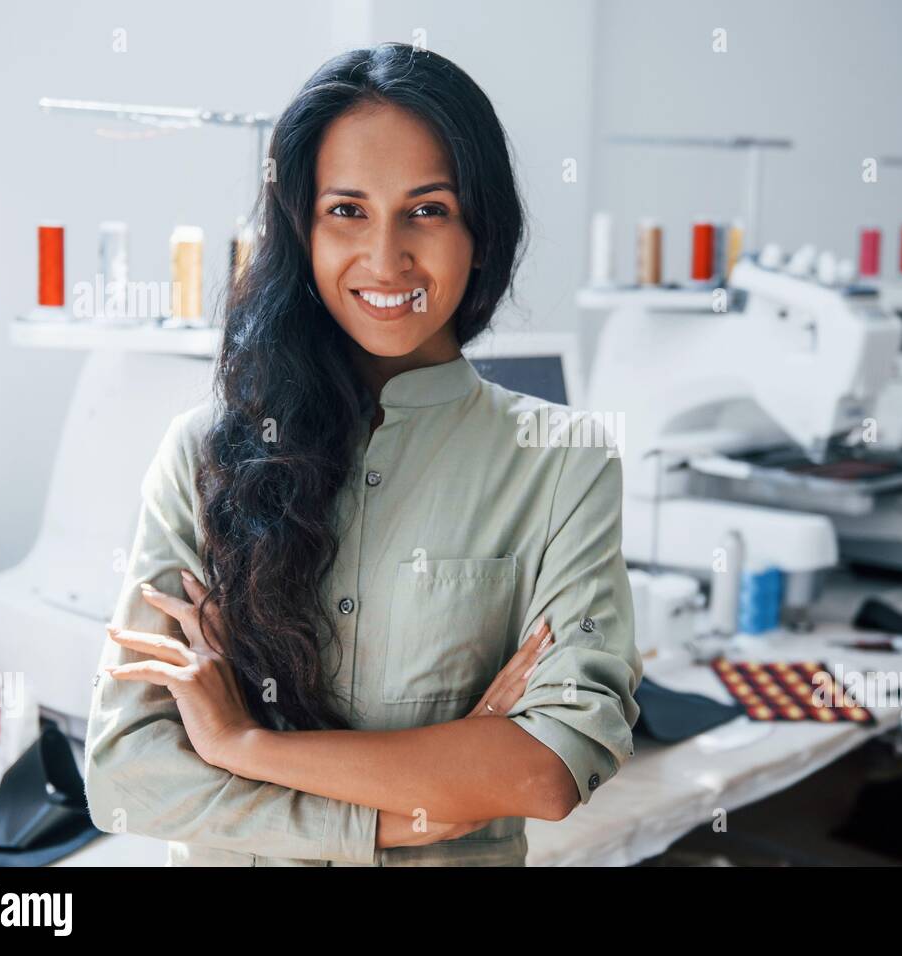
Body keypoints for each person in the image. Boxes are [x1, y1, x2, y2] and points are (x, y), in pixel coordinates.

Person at [83, 42, 642, 866]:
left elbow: (549, 770)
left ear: (481, 232)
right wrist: (406, 808)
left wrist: (241, 743)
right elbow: (127, 780)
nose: (386, 260)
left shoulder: (563, 461)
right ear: (301, 231)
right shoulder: (202, 452)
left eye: (427, 209)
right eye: (347, 211)